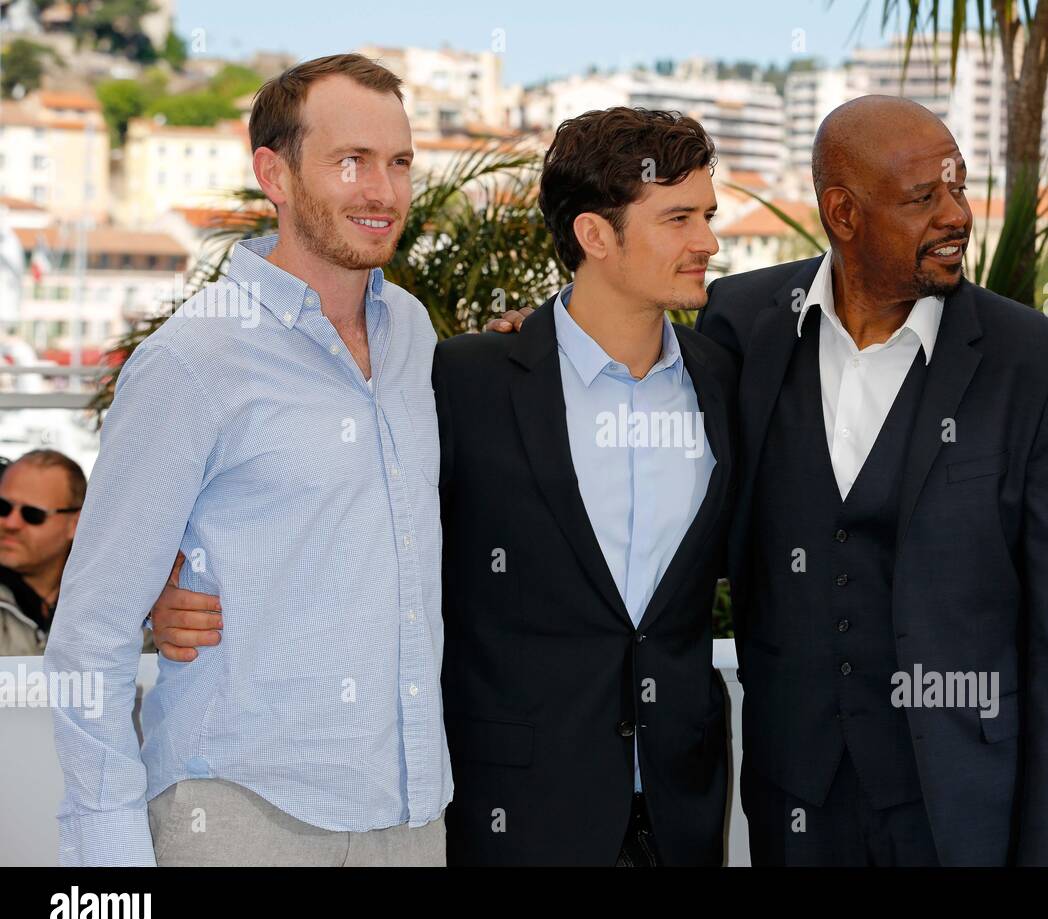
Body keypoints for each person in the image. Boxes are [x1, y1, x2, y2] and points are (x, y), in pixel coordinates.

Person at [493, 95, 1048, 866]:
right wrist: (535, 342)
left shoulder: (1037, 362)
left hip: (962, 807)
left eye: (959, 188)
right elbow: (624, 348)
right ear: (843, 213)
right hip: (795, 805)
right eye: (924, 198)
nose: (956, 216)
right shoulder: (741, 324)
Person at [154, 106, 739, 866]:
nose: (709, 242)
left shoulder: (724, 381)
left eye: (709, 216)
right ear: (596, 236)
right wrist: (174, 578)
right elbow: (351, 519)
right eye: (680, 218)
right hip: (511, 811)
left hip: (681, 807)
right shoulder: (464, 379)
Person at [43, 54, 451, 866]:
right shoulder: (194, 359)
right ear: (275, 173)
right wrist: (114, 868)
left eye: (399, 163)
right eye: (350, 162)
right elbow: (90, 633)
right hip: (238, 815)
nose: (383, 191)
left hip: (411, 818)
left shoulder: (412, 331)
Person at [0, 450, 84, 655]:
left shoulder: (113, 601)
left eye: (33, 514)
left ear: (76, 523)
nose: (11, 523)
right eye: (3, 507)